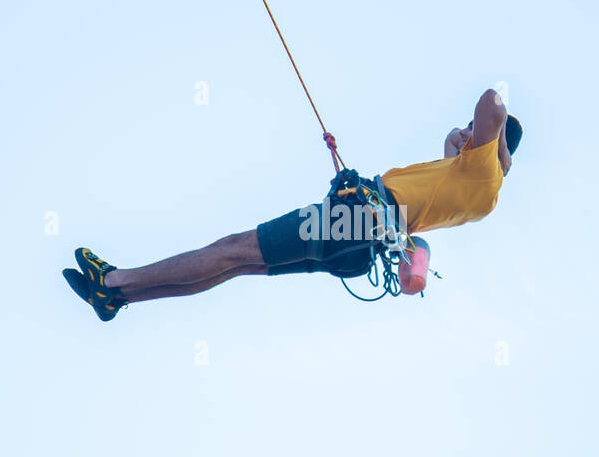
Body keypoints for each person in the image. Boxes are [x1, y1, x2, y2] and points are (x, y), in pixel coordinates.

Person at [63, 88, 522, 320]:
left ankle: (115, 280)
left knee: (235, 248)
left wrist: (494, 143)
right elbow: (444, 178)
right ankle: (119, 296)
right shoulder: (477, 188)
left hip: (358, 222)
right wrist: (452, 142)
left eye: (472, 133)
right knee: (238, 264)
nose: (466, 135)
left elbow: (492, 102)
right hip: (362, 243)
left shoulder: (487, 171)